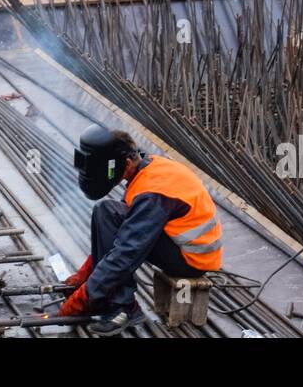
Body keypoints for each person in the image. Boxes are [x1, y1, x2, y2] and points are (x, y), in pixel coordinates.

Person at [58, 125, 222, 335]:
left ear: (126, 162)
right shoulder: (147, 168)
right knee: (107, 212)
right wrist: (83, 277)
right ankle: (109, 297)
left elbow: (125, 252)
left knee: (116, 230)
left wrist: (81, 300)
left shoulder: (152, 192)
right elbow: (116, 234)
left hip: (190, 261)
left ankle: (123, 307)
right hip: (179, 246)